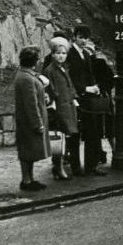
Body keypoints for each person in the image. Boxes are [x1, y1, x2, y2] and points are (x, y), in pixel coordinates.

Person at [68, 25, 109, 176]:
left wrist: (95, 86)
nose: (83, 40)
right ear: (74, 37)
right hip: (76, 98)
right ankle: (75, 168)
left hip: (89, 99)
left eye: (86, 37)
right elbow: (70, 78)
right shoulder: (69, 54)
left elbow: (90, 74)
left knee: (93, 132)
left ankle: (91, 166)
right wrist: (85, 88)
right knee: (74, 135)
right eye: (80, 37)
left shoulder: (85, 54)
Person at [41, 35, 79, 179]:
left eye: (63, 53)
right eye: (58, 53)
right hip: (59, 109)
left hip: (68, 107)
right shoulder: (50, 71)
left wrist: (74, 99)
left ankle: (59, 167)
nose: (61, 56)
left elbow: (69, 86)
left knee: (65, 139)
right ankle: (58, 167)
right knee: (59, 140)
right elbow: (49, 90)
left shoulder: (64, 69)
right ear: (52, 54)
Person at [13, 47, 50, 191]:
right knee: (28, 151)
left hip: (26, 120)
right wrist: (37, 123)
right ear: (34, 61)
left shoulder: (26, 75)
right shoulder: (27, 78)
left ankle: (29, 178)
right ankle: (26, 180)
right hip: (29, 121)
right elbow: (31, 104)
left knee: (30, 150)